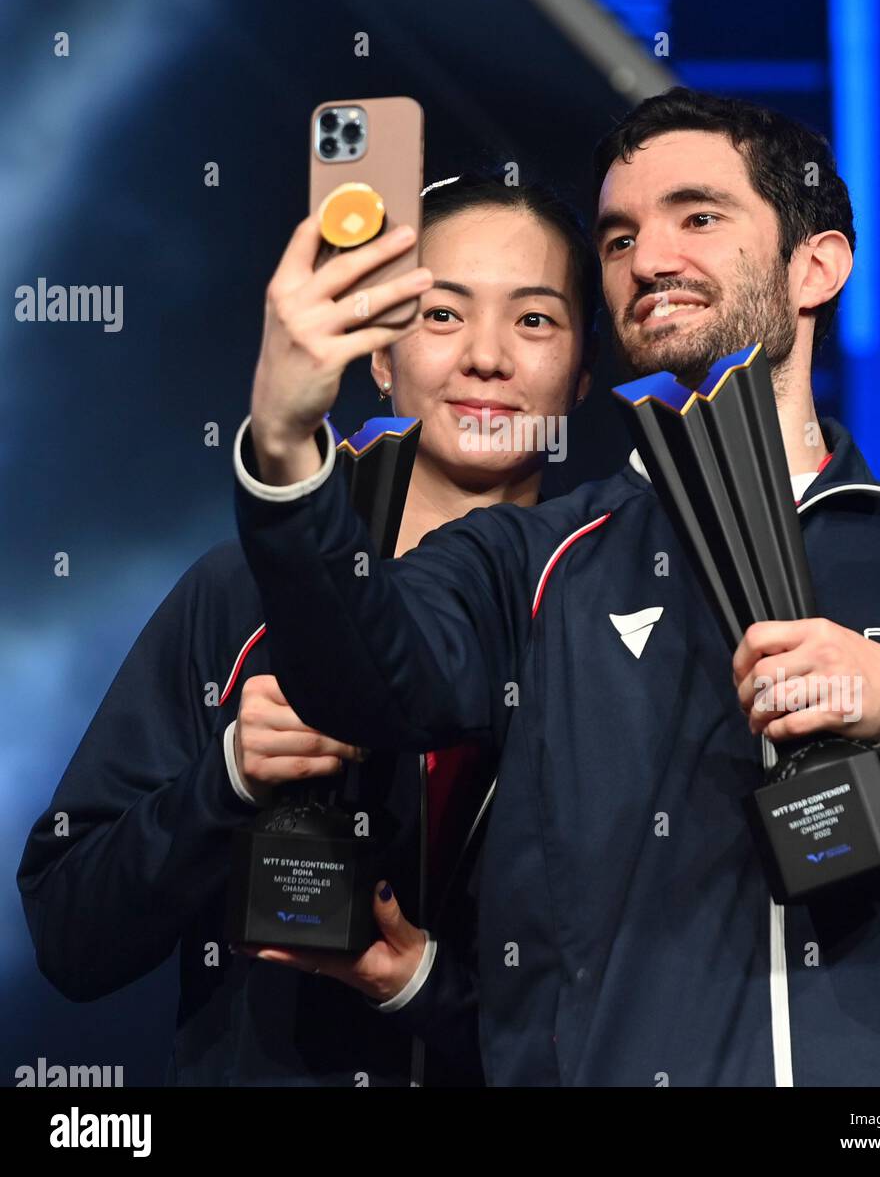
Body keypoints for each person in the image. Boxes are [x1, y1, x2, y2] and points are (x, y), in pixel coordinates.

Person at [233, 87, 880, 1087]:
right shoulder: (527, 561)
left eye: (697, 216)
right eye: (615, 239)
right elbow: (357, 675)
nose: (649, 259)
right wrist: (281, 448)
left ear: (814, 264)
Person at [18, 171, 597, 1086]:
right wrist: (229, 777)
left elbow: (662, 1001)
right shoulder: (240, 595)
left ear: (580, 375)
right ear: (375, 355)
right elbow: (70, 932)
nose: (486, 357)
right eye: (441, 315)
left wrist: (426, 989)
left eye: (534, 321)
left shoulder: (611, 622)